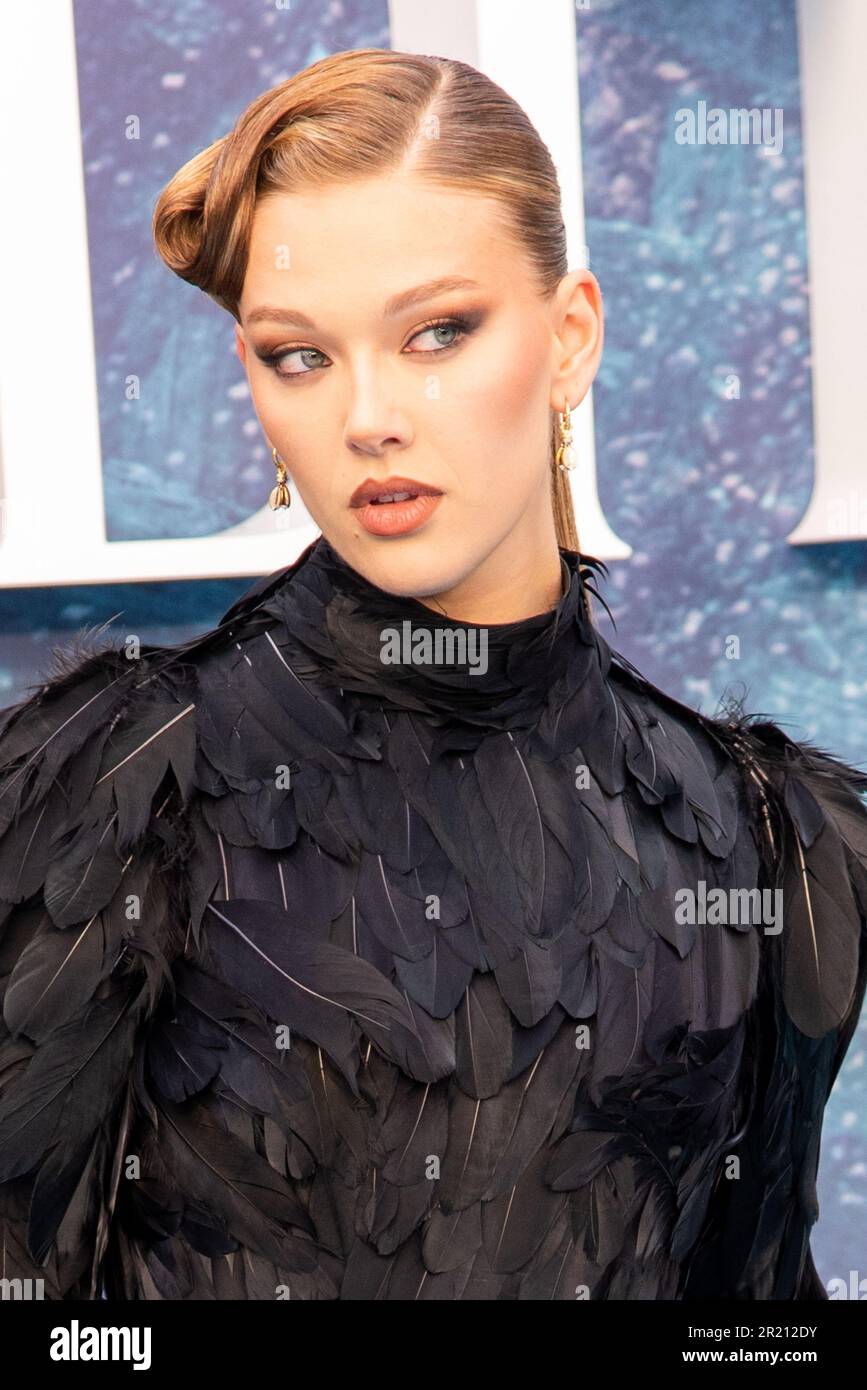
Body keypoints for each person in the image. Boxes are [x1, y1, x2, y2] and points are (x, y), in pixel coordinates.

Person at [0, 47, 865, 1302]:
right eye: (298, 354)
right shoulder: (122, 797)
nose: (367, 417)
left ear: (571, 338)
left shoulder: (768, 842)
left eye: (438, 332)